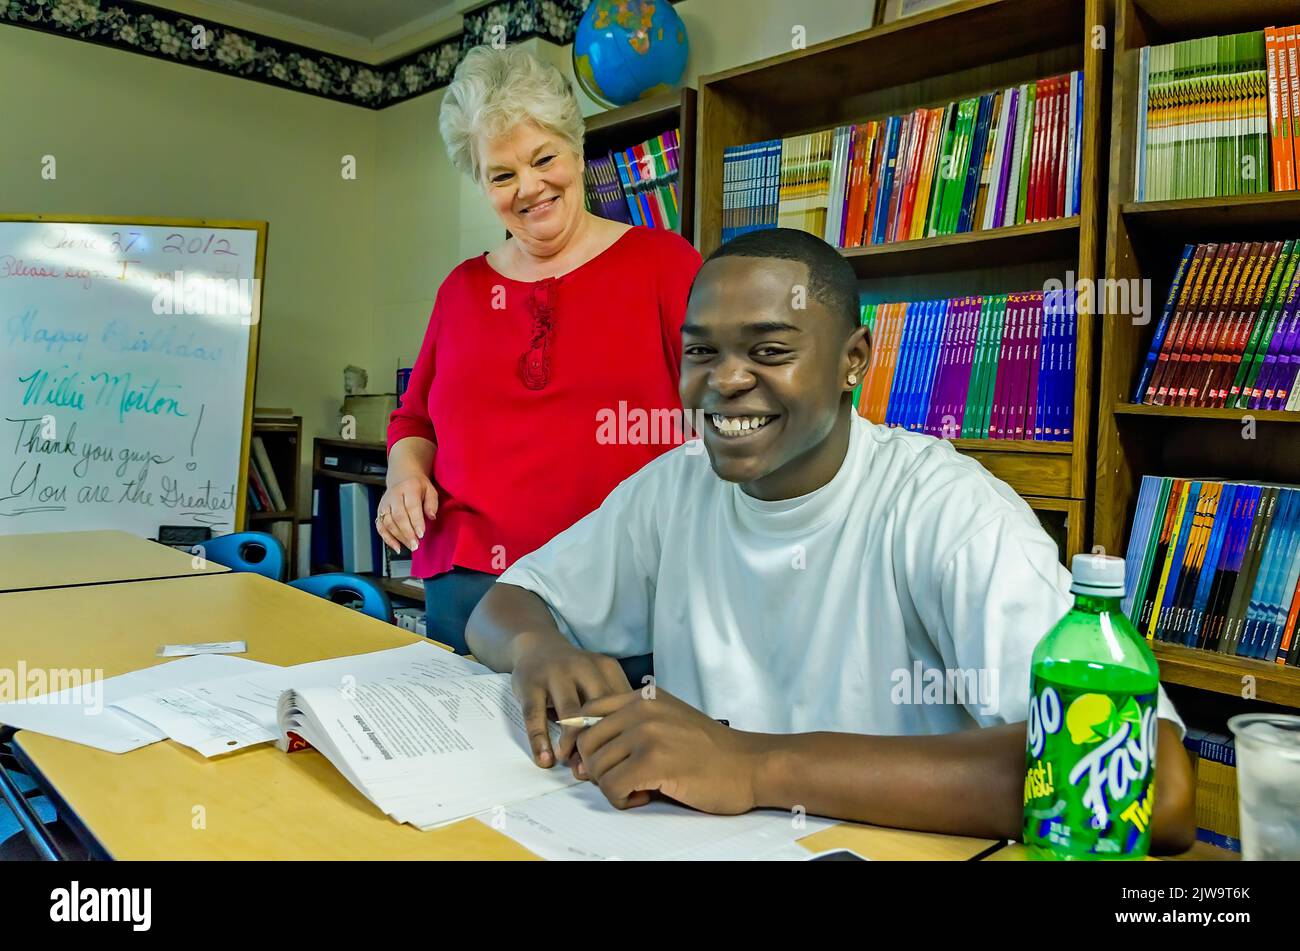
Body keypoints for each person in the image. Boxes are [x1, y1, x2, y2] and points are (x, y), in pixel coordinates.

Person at [466, 227, 1196, 850]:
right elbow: (506, 601)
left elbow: (1156, 783)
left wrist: (752, 765)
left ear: (854, 361)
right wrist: (541, 648)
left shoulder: (945, 511)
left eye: (770, 350)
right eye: (699, 352)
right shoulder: (675, 486)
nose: (724, 381)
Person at [379, 45, 701, 652]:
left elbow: (717, 415)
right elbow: (413, 419)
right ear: (483, 185)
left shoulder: (665, 265)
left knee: (610, 746)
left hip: (623, 586)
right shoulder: (461, 290)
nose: (530, 188)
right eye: (502, 175)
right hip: (471, 584)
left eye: (543, 158)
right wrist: (403, 475)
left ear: (576, 151)